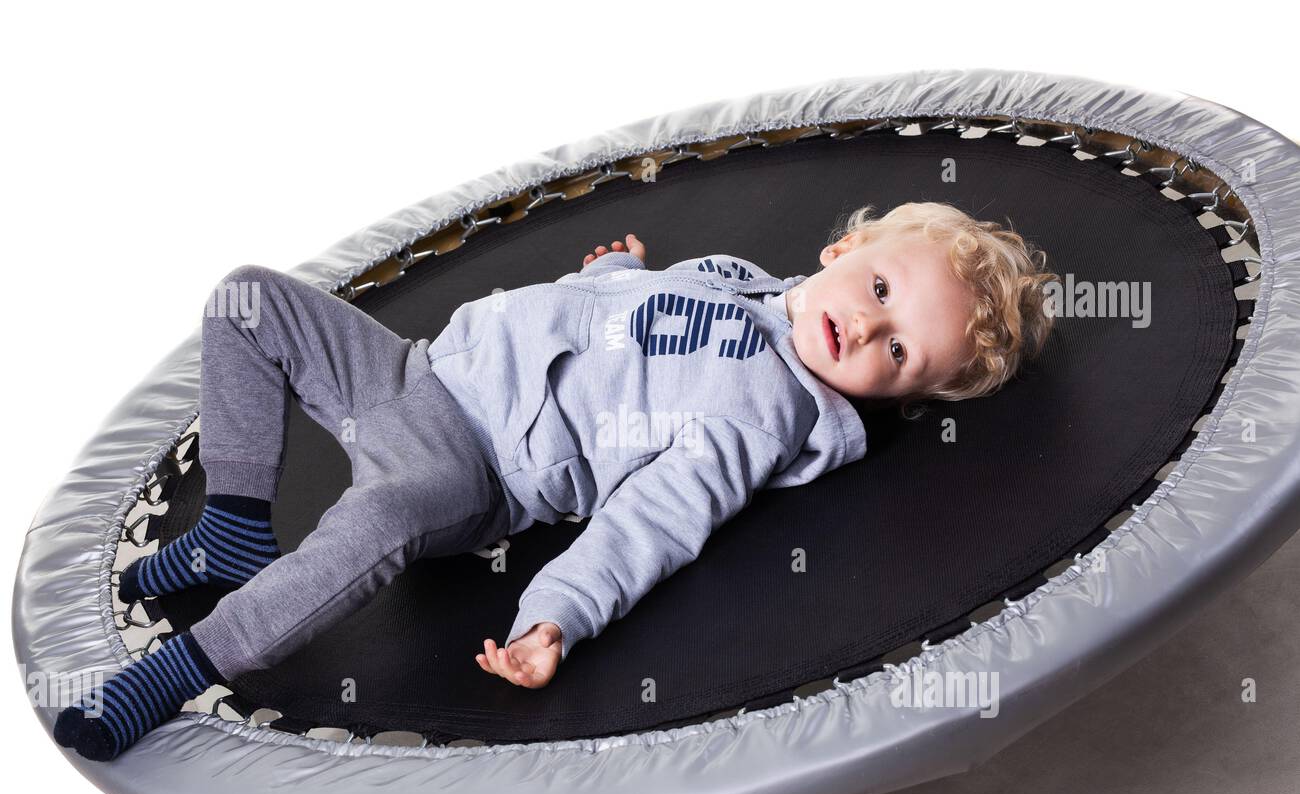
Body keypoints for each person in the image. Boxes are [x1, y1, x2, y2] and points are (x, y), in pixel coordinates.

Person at [54, 200, 1055, 760]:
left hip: (473, 460)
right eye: (878, 289)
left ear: (892, 394)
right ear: (844, 249)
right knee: (246, 300)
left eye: (897, 353)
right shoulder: (731, 275)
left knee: (378, 521)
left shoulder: (764, 411)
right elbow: (630, 321)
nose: (867, 328)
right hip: (416, 372)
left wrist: (556, 615)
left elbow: (652, 521)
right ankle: (232, 525)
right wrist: (615, 273)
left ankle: (183, 669)